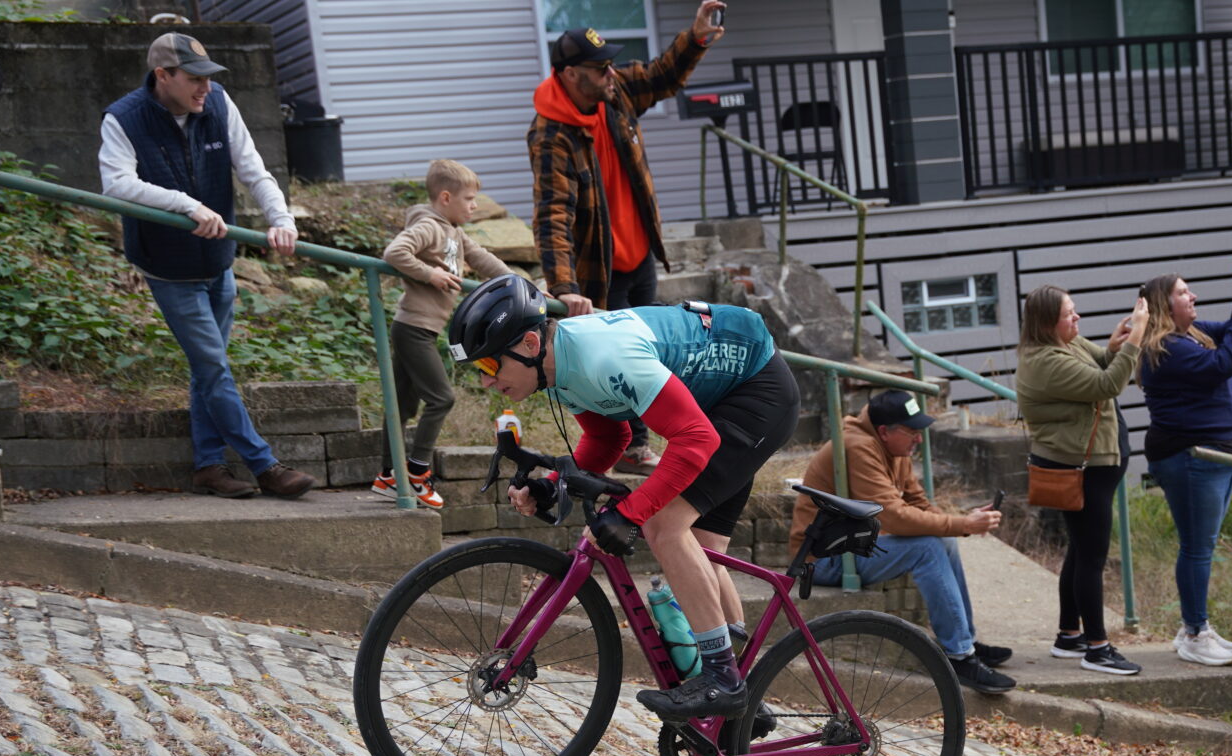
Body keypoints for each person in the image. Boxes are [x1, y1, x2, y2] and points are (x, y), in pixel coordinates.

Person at [451, 277, 795, 721]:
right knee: (701, 553)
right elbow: (607, 436)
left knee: (663, 526)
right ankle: (744, 693)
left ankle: (723, 682)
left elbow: (694, 439)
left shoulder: (602, 356)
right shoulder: (555, 370)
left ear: (531, 342)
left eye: (489, 366)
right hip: (715, 398)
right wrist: (550, 482)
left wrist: (631, 515)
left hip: (753, 390)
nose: (484, 382)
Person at [99, 33, 317, 500]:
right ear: (164, 76)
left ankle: (208, 466)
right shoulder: (123, 118)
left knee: (207, 369)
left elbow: (253, 168)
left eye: (208, 78)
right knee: (214, 367)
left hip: (218, 263)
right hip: (167, 268)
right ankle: (265, 465)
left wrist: (281, 218)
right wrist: (186, 205)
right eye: (194, 79)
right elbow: (116, 184)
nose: (205, 88)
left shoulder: (218, 102)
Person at [530, 1, 726, 475]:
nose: (612, 73)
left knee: (650, 350)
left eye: (611, 65)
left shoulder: (611, 95)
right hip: (601, 266)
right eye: (601, 69)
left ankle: (665, 437)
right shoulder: (551, 133)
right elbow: (552, 213)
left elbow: (661, 76)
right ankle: (635, 447)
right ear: (572, 74)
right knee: (617, 360)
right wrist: (564, 286)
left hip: (639, 256)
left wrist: (695, 38)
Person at [788, 391, 1015, 694]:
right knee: (928, 548)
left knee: (944, 542)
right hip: (822, 559)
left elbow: (919, 503)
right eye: (911, 432)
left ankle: (965, 643)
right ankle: (959, 657)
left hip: (855, 545)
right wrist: (962, 524)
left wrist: (962, 524)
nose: (918, 440)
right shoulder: (858, 447)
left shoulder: (895, 450)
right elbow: (894, 517)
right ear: (884, 432)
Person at [1014, 284, 1151, 676]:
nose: (1077, 318)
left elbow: (1105, 363)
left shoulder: (1066, 345)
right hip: (1079, 468)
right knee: (1091, 557)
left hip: (1087, 464)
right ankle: (1097, 648)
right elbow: (1107, 385)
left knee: (1080, 550)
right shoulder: (1045, 361)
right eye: (1068, 314)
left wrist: (1118, 343)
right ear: (1046, 323)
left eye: (1075, 311)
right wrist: (1137, 338)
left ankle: (1068, 634)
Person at [1137, 266, 1232, 667]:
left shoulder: (1190, 334)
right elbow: (1223, 364)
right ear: (1164, 306)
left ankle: (1194, 625)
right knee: (1197, 547)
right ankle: (1194, 631)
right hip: (1193, 459)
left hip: (1218, 455)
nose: (1192, 297)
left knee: (1201, 545)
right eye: (1184, 293)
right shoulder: (1167, 347)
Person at [376, 158, 513, 510]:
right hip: (413, 328)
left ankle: (389, 475)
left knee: (403, 405)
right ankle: (418, 472)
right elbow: (395, 252)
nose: (475, 205)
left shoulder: (454, 231)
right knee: (441, 398)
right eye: (469, 199)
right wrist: (429, 274)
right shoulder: (429, 226)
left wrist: (520, 285)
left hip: (421, 328)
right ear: (446, 197)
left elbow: (482, 259)